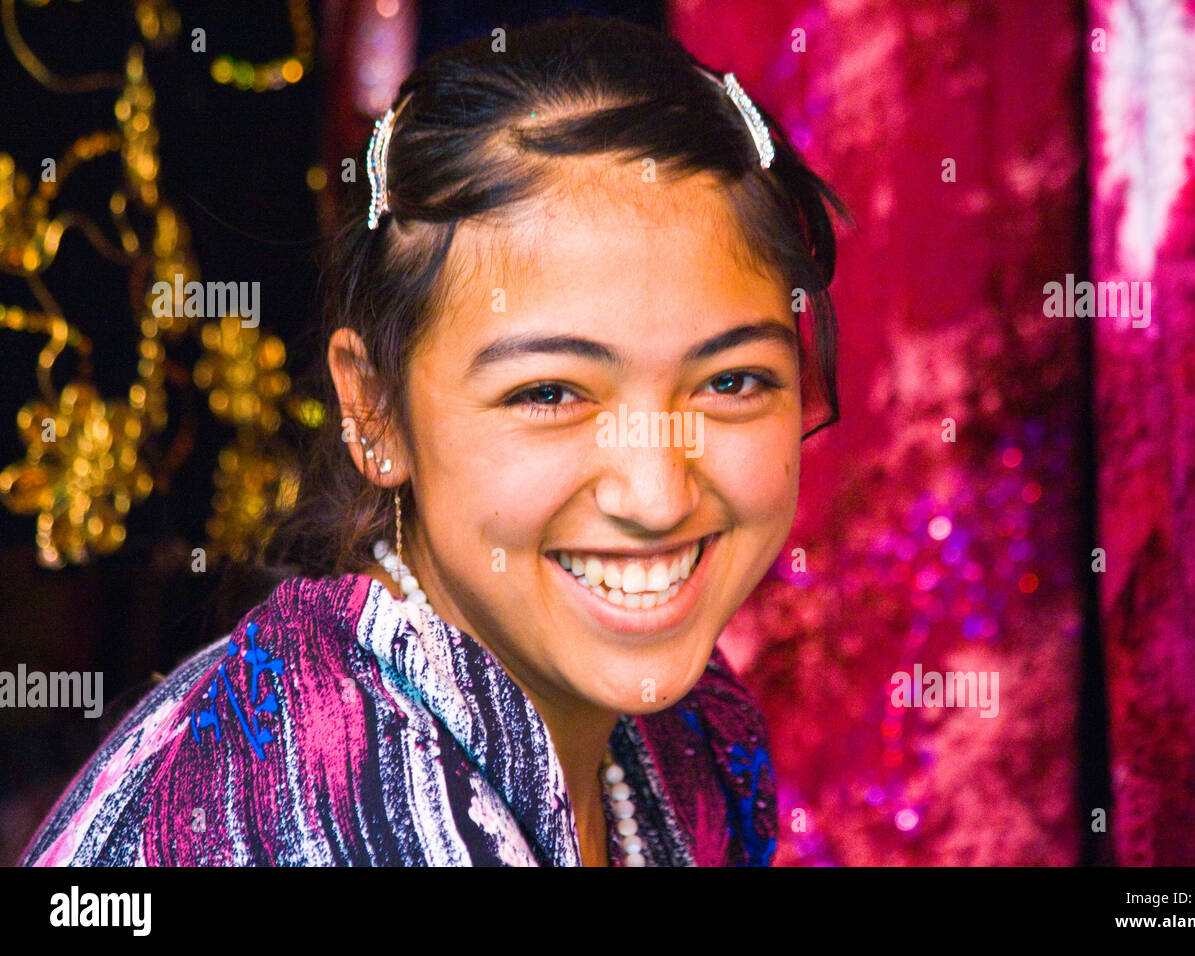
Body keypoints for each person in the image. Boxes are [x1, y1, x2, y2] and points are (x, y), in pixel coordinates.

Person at [19, 14, 848, 867]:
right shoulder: (349, 811)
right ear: (374, 409)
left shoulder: (689, 739)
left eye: (730, 383)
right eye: (549, 393)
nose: (657, 494)